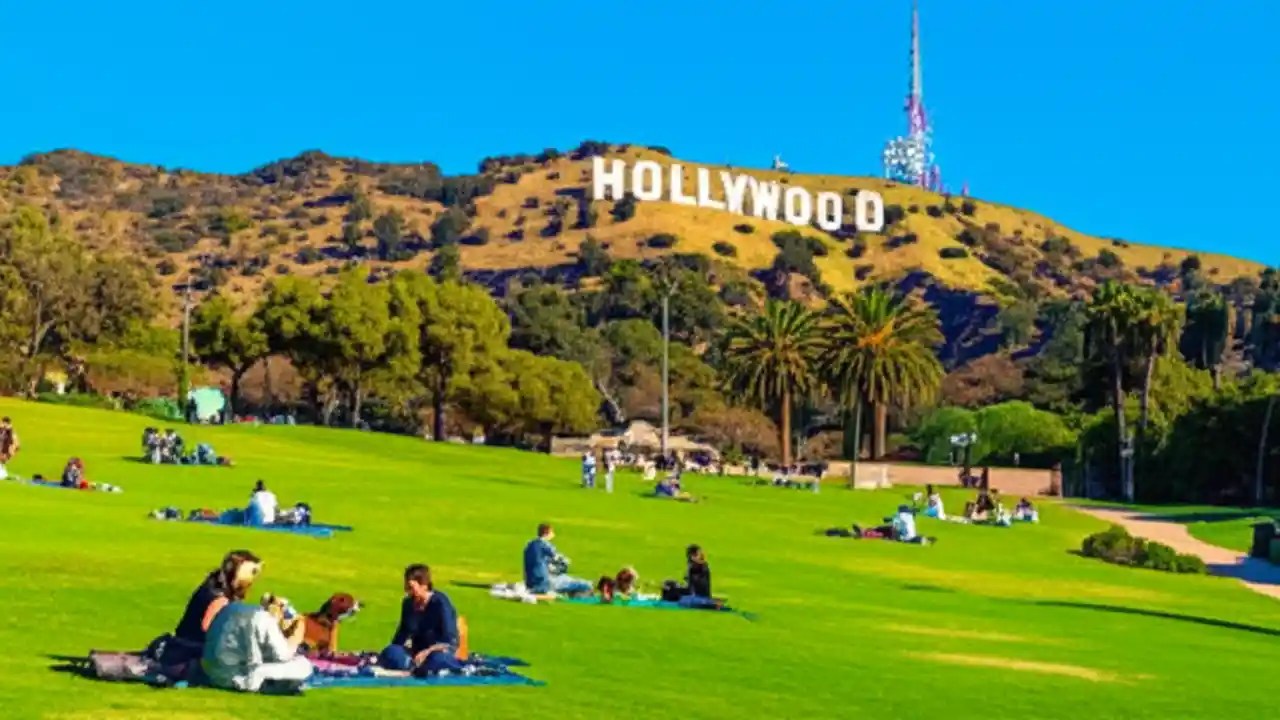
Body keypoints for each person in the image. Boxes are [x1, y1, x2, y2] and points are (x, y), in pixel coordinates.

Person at [201, 561, 312, 694]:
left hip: (212, 672)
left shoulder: (231, 608)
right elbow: (283, 655)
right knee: (304, 666)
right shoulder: (263, 618)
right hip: (238, 677)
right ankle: (257, 681)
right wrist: (296, 637)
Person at [154, 550, 262, 675]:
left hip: (184, 645)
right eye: (253, 573)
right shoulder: (220, 598)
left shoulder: (212, 586)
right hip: (191, 651)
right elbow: (208, 629)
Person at [380, 564, 463, 675]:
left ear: (424, 585)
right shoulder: (408, 604)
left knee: (437, 659)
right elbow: (401, 635)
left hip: (438, 651)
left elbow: (450, 640)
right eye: (406, 588)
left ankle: (418, 668)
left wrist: (427, 652)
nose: (408, 592)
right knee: (391, 652)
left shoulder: (440, 603)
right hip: (416, 651)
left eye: (411, 588)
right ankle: (412, 666)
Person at [522, 523, 592, 595]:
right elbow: (561, 560)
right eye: (552, 532)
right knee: (585, 584)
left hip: (529, 583)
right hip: (545, 583)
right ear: (546, 533)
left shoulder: (529, 545)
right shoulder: (545, 545)